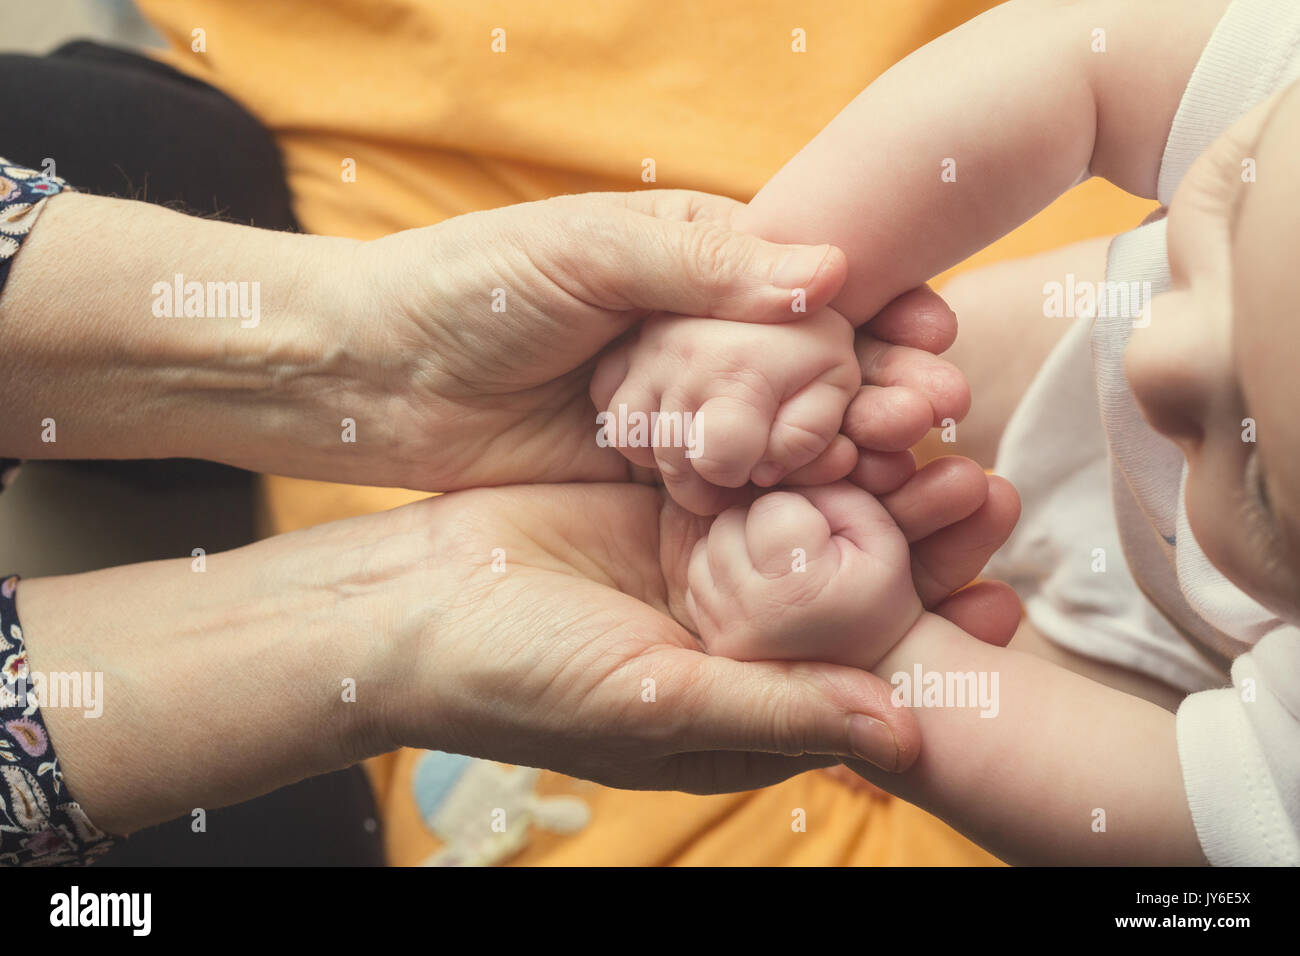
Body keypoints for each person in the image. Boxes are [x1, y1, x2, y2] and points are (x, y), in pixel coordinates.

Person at [609, 0, 1300, 864]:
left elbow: (1188, 823)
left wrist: (893, 655)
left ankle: (950, 644)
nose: (1160, 363)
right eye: (1234, 219)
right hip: (1077, 342)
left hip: (1206, 661)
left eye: (1267, 490)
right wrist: (788, 298)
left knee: (1089, 737)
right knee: (909, 371)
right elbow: (1084, 57)